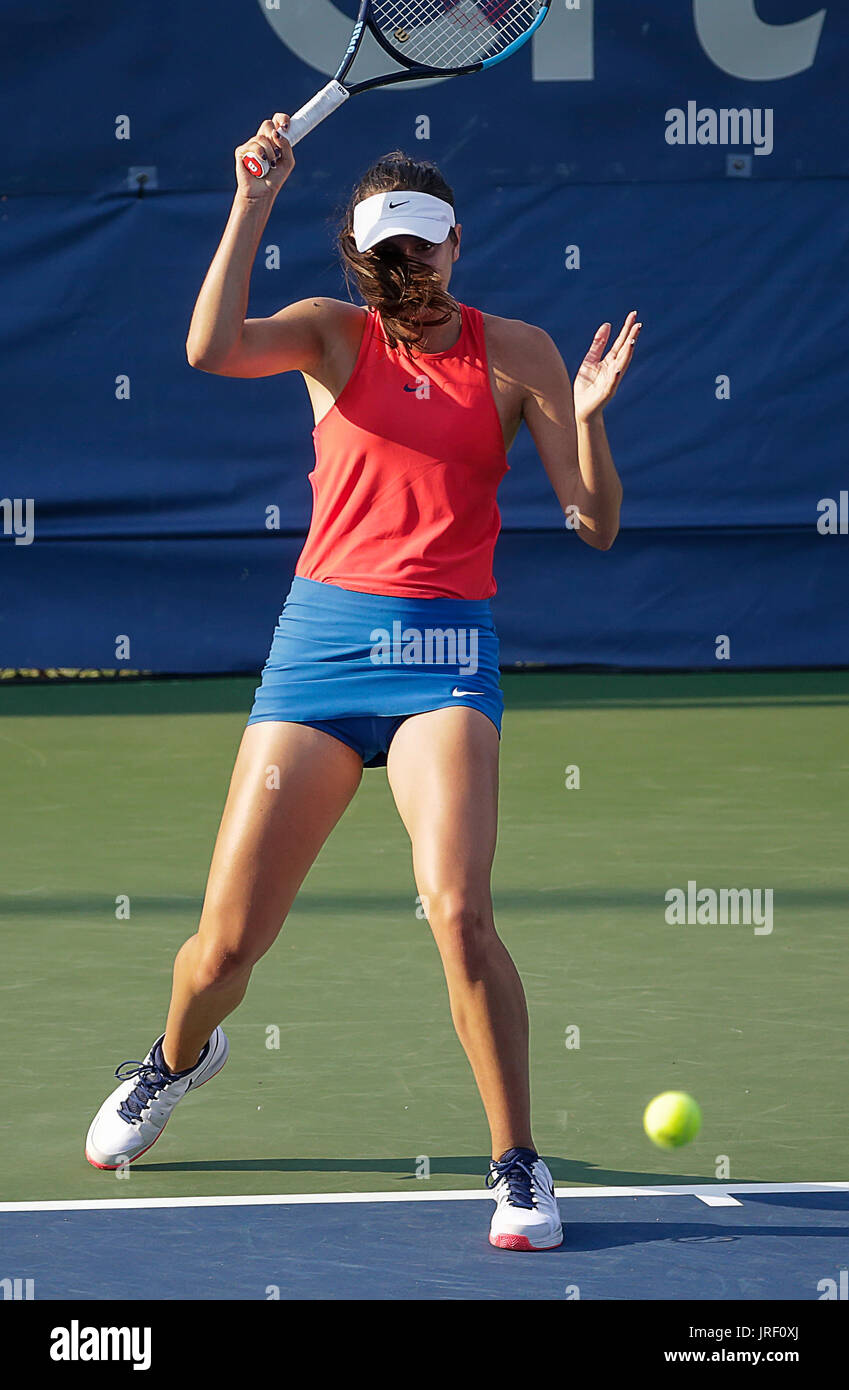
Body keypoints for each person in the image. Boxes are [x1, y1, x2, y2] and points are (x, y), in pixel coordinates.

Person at [85, 113, 640, 1252]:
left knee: (460, 909)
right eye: (390, 246)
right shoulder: (330, 334)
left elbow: (591, 523)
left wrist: (587, 428)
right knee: (226, 947)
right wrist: (249, 198)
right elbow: (205, 349)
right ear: (357, 253)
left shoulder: (520, 351)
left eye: (425, 244)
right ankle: (175, 1059)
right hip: (321, 649)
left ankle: (519, 1164)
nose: (409, 262)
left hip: (444, 653)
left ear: (454, 246)